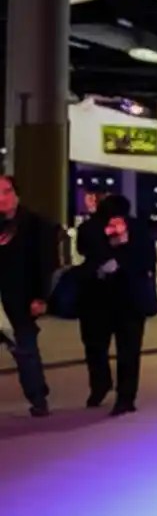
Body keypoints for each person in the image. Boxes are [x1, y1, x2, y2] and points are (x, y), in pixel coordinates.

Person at [77, 195, 157, 416]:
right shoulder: (139, 228)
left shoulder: (89, 227)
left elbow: (83, 251)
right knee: (129, 351)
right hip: (130, 299)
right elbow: (150, 258)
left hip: (96, 298)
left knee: (95, 347)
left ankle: (100, 385)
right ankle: (125, 397)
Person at [0, 175, 57, 417]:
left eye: (6, 191)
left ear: (17, 194)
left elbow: (46, 265)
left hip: (20, 300)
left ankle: (38, 397)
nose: (2, 198)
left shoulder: (36, 225)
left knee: (26, 352)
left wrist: (40, 297)